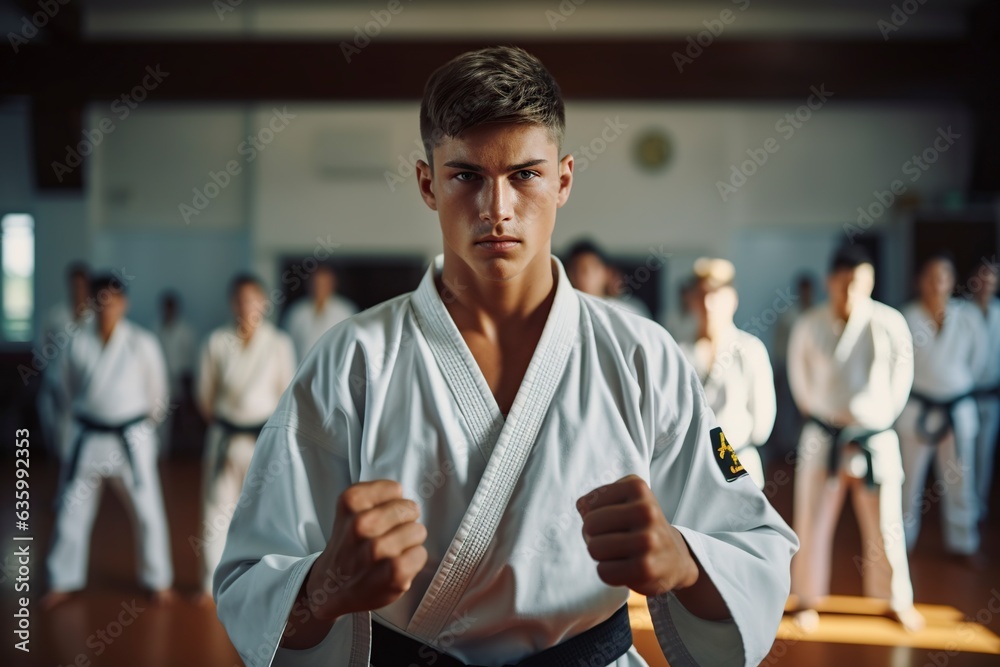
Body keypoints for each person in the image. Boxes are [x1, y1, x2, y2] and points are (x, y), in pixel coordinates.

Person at [215, 46, 796, 667]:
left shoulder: (642, 357)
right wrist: (323, 587)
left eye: (524, 175)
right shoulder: (350, 361)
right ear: (427, 183)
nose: (497, 209)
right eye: (467, 176)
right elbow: (251, 587)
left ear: (563, 180)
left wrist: (684, 561)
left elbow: (754, 550)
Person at [787, 245, 922, 632]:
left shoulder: (890, 322)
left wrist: (873, 420)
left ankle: (895, 599)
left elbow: (900, 382)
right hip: (823, 435)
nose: (850, 289)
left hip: (873, 435)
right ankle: (807, 598)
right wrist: (827, 417)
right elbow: (800, 383)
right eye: (843, 281)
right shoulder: (809, 324)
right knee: (811, 522)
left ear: (871, 281)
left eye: (859, 281)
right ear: (829, 281)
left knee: (887, 525)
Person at [42, 274, 174, 609]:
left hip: (130, 437)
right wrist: (88, 417)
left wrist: (141, 426)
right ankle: (62, 580)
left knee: (148, 511)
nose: (106, 308)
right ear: (91, 304)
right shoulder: (76, 342)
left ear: (124, 303)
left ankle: (158, 580)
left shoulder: (142, 343)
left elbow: (158, 396)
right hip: (88, 437)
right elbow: (66, 390)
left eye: (112, 300)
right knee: (72, 509)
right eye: (99, 301)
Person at [193, 274, 296, 603]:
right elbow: (204, 396)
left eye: (252, 299)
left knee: (268, 513)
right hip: (225, 437)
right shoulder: (215, 342)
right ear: (231, 303)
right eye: (239, 299)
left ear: (264, 303)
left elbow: (287, 395)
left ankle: (266, 585)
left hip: (264, 438)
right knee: (216, 510)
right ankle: (210, 583)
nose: (246, 306)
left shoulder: (279, 343)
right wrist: (228, 425)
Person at [898, 253, 988, 559]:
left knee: (961, 480)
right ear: (919, 282)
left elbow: (978, 362)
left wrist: (955, 385)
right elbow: (897, 367)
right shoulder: (907, 317)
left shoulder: (968, 317)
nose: (937, 284)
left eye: (943, 277)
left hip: (957, 408)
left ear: (952, 281)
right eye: (931, 277)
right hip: (918, 408)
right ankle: (902, 543)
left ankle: (964, 543)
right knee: (908, 481)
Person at [680, 258, 776, 489]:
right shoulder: (678, 352)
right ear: (691, 300)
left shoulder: (750, 350)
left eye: (716, 295)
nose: (708, 304)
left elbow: (762, 426)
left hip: (738, 462)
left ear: (732, 299)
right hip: (692, 467)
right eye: (701, 295)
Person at [36, 262, 92, 455]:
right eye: (75, 285)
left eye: (82, 285)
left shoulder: (95, 318)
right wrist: (51, 377)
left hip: (86, 388)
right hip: (58, 388)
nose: (78, 290)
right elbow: (42, 351)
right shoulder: (55, 317)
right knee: (61, 443)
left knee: (86, 448)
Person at [969, 264, 1000, 520]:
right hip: (965, 396)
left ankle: (979, 505)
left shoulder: (998, 312)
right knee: (963, 458)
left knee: (984, 454)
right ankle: (964, 508)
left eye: (991, 280)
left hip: (991, 395)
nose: (986, 285)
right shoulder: (962, 312)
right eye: (982, 279)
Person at [283, 262, 358, 362]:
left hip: (335, 365)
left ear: (333, 284)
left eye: (324, 283)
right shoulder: (297, 311)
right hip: (304, 366)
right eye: (317, 283)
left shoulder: (345, 310)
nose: (320, 287)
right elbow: (288, 345)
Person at [566, 238, 651, 319]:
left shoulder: (628, 310)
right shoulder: (567, 311)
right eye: (575, 271)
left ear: (607, 272)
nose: (580, 277)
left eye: (587, 269)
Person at [156, 290, 197, 457]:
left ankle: (181, 456)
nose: (168, 312)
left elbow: (190, 360)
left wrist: (187, 385)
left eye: (171, 308)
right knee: (161, 421)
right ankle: (162, 454)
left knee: (183, 422)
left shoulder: (186, 332)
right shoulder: (156, 329)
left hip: (181, 381)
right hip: (160, 381)